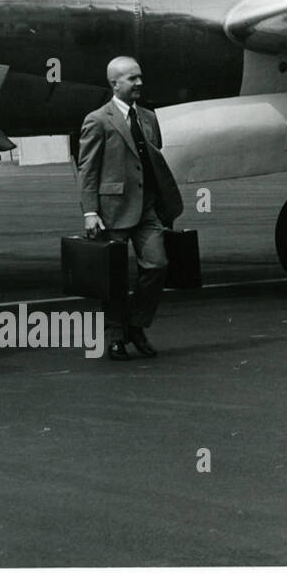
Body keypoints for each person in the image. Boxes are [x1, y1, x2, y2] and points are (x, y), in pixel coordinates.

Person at [76, 56, 184, 360]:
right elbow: (88, 169)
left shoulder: (149, 117)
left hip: (148, 209)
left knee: (158, 264)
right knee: (115, 280)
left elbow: (154, 161)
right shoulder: (97, 120)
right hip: (113, 210)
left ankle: (136, 325)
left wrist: (165, 203)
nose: (138, 83)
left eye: (140, 77)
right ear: (114, 83)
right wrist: (89, 211)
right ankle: (114, 337)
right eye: (131, 79)